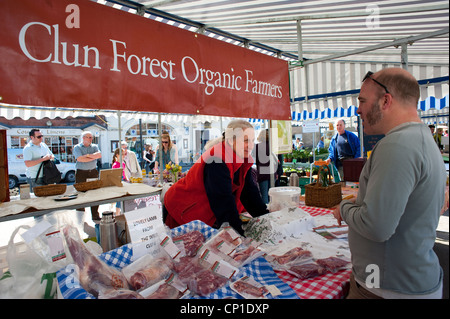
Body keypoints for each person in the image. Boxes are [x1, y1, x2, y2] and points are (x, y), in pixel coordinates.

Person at [333, 68, 446, 299]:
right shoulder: (420, 138)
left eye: (362, 101)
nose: (358, 110)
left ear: (386, 100)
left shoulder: (397, 145)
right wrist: (364, 199)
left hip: (385, 288)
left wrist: (344, 208)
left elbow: (376, 226)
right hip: (405, 281)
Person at [163, 120, 269, 235]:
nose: (251, 146)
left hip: (205, 212)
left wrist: (266, 219)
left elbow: (249, 193)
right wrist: (237, 233)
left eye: (253, 141)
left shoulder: (242, 158)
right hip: (183, 208)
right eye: (245, 140)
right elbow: (223, 201)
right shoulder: (217, 160)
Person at [73, 131, 102, 221]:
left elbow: (99, 155)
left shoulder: (94, 146)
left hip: (92, 172)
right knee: (81, 195)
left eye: (91, 137)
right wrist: (92, 157)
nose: (90, 139)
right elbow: (80, 159)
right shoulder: (77, 147)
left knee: (94, 194)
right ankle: (80, 217)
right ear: (83, 138)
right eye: (88, 137)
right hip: (81, 173)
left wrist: (88, 155)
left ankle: (95, 215)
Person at [252, 129, 278, 204]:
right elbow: (277, 160)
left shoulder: (257, 146)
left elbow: (255, 159)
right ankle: (273, 209)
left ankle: (265, 212)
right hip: (273, 171)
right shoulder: (273, 147)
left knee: (264, 194)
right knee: (272, 195)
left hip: (262, 172)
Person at [111, 148, 127, 215]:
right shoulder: (115, 165)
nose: (124, 156)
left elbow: (124, 174)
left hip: (123, 181)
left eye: (124, 154)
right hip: (118, 183)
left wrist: (126, 179)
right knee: (119, 201)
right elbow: (114, 176)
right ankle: (117, 214)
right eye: (122, 154)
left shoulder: (123, 163)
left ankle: (122, 213)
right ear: (117, 155)